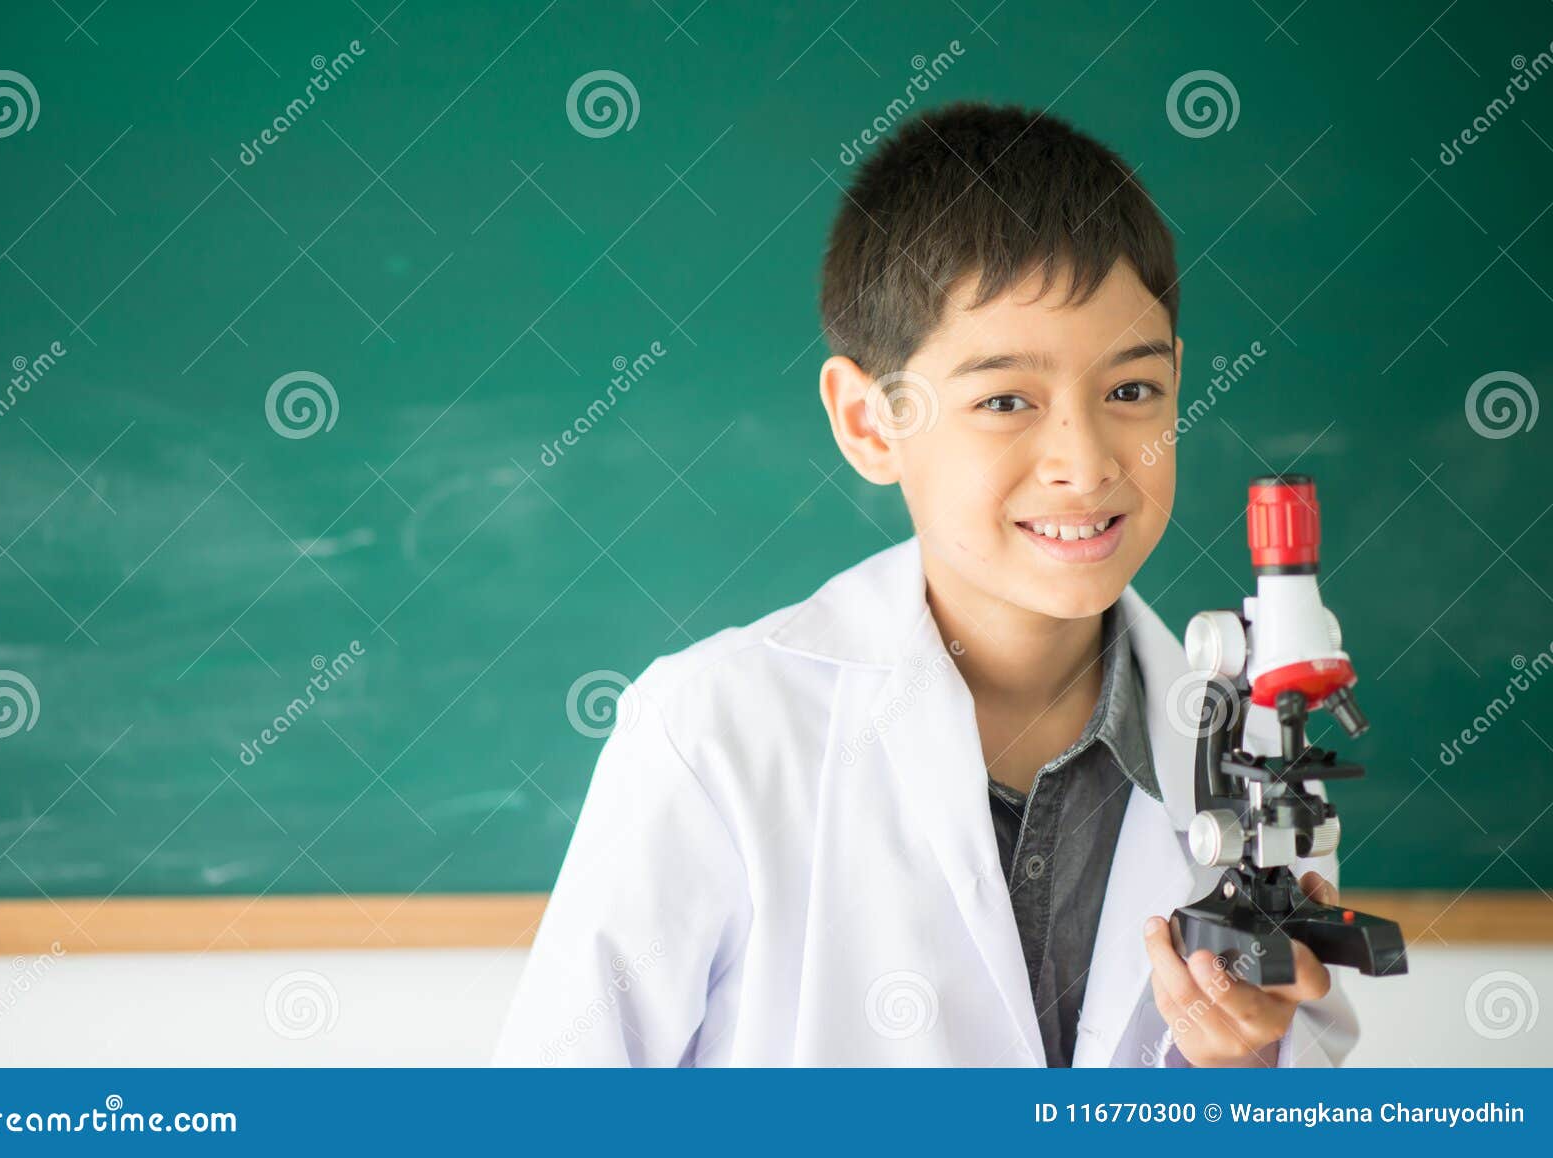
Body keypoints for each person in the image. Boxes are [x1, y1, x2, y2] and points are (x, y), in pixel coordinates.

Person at [492, 101, 1357, 1067]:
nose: (1084, 461)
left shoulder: (1249, 748)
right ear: (869, 422)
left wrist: (1240, 1074)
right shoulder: (715, 734)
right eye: (1003, 400)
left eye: (1130, 391)